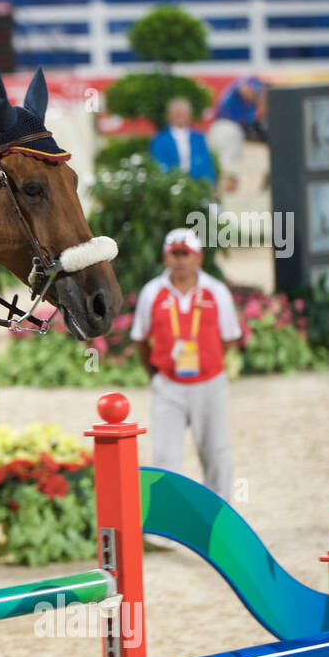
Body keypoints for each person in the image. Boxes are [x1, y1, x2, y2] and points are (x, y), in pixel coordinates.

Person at [129, 228, 242, 501]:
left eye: (185, 254)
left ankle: (220, 521)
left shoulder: (216, 291)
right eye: (174, 254)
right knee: (164, 455)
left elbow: (229, 338)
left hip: (210, 385)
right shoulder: (152, 292)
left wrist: (207, 361)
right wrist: (156, 374)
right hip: (168, 386)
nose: (180, 260)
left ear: (198, 258)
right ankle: (162, 529)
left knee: (216, 453)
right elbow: (141, 340)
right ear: (166, 257)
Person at [207, 76, 265, 192]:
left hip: (229, 130)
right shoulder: (249, 83)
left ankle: (223, 198)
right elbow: (244, 89)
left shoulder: (249, 108)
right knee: (226, 169)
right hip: (227, 128)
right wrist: (259, 100)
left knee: (230, 170)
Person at [150, 97, 216, 184]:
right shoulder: (159, 139)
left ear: (189, 114)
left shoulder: (199, 138)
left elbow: (207, 165)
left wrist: (208, 184)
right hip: (171, 185)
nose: (179, 114)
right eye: (176, 112)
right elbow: (158, 164)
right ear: (168, 115)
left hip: (197, 184)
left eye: (182, 112)